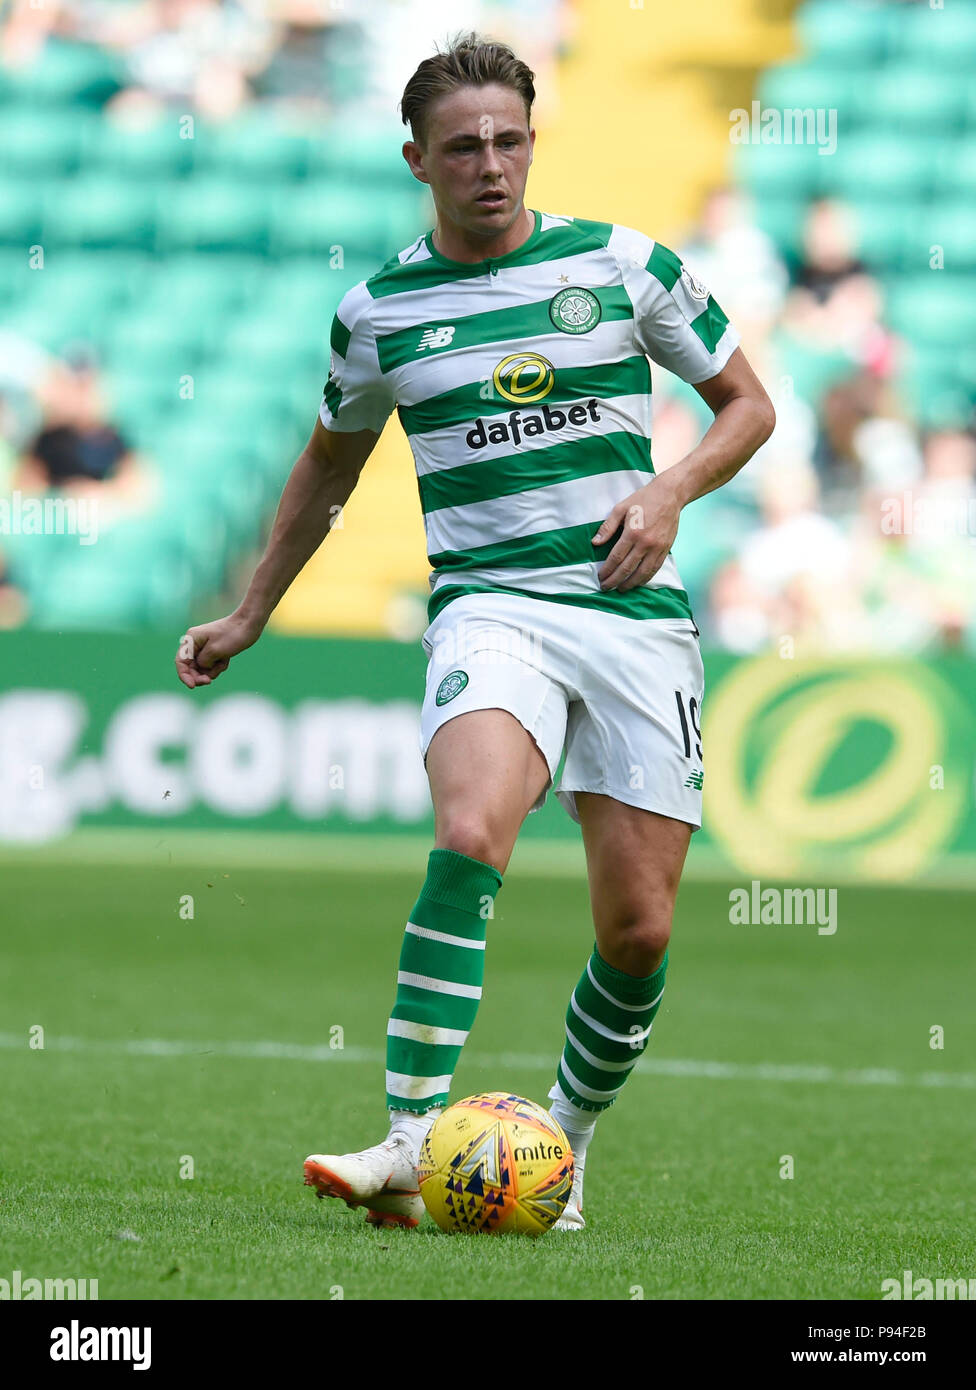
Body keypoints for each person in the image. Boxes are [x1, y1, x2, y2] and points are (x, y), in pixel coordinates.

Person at [174, 33, 775, 1231]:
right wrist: (251, 609)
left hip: (628, 614)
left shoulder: (624, 265)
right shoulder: (377, 312)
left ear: (532, 143)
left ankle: (564, 1144)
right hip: (489, 603)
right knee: (469, 827)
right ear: (417, 161)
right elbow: (325, 467)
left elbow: (749, 406)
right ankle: (408, 1139)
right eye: (463, 148)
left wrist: (666, 493)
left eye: (508, 140)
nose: (490, 165)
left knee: (639, 929)